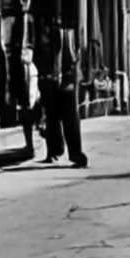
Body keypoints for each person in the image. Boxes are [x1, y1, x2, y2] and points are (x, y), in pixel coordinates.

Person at [35, 12, 88, 168]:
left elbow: (69, 60)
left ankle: (67, 153)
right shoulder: (66, 36)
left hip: (62, 82)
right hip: (61, 82)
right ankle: (59, 151)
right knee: (56, 118)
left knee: (63, 118)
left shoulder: (59, 37)